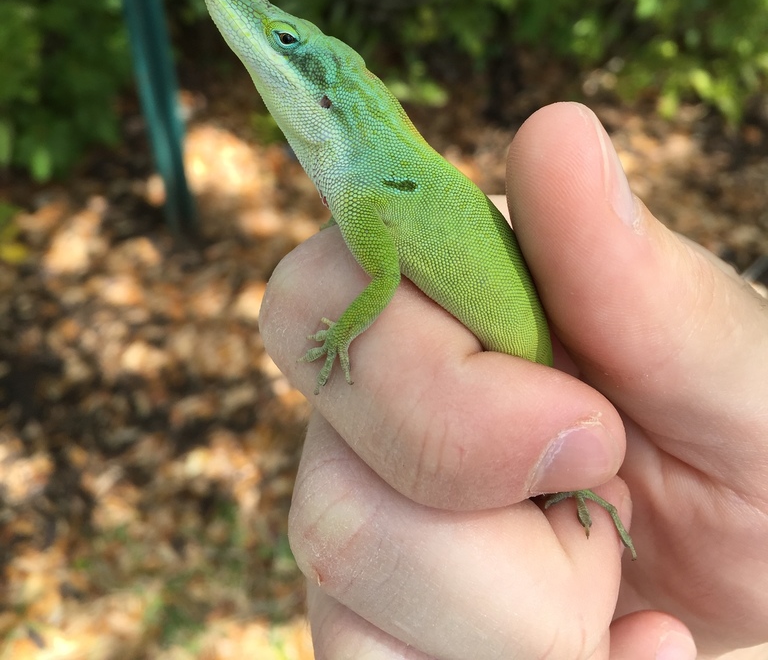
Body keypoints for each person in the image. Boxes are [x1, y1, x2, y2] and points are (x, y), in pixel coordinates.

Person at [259, 102, 768, 660]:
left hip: (563, 403)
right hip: (556, 410)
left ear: (330, 100)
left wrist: (339, 337)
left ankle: (576, 484)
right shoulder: (371, 193)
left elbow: (381, 280)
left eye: (282, 40)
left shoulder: (371, 194)